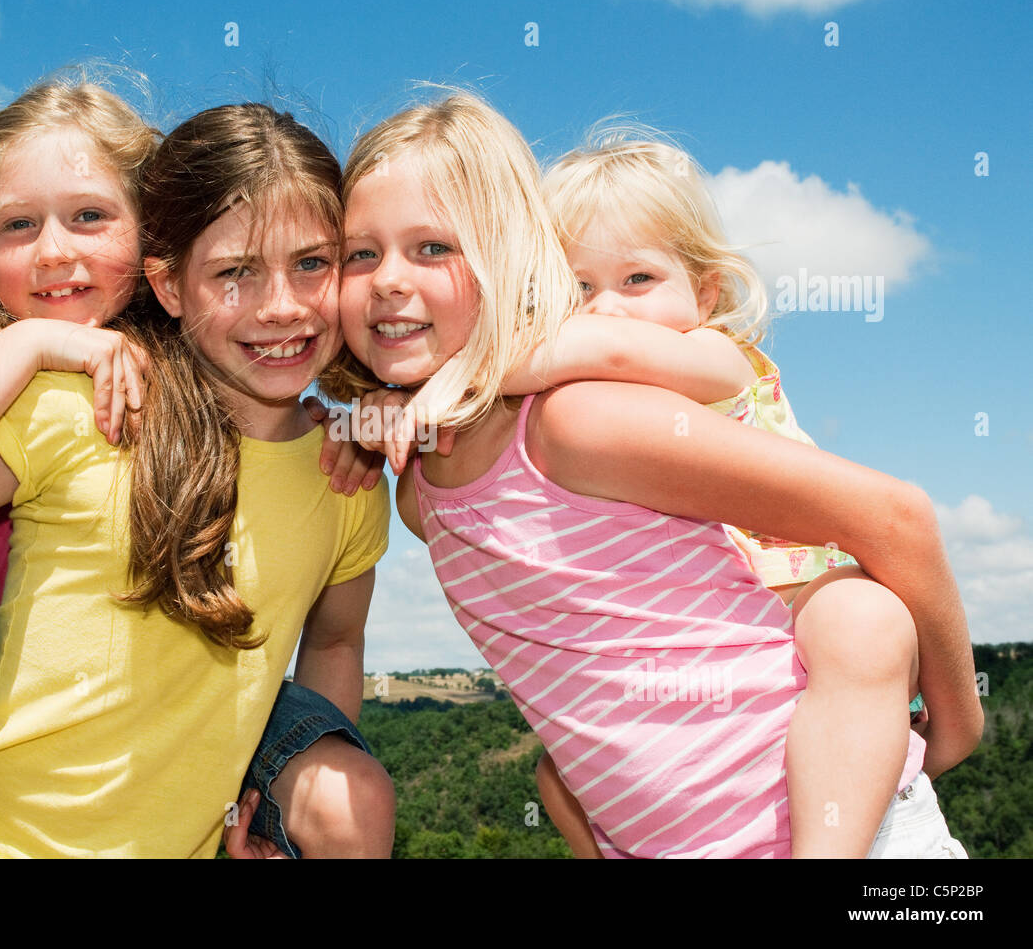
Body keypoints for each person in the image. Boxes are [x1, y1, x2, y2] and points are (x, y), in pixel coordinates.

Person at [327, 92, 981, 858]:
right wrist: (363, 419)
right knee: (552, 775)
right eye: (358, 254)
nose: (387, 281)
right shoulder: (417, 493)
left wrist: (958, 724)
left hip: (867, 840)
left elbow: (895, 516)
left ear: (512, 263)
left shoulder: (577, 422)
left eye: (433, 247)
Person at [0, 83, 392, 858]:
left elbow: (333, 641)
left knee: (355, 797)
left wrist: (378, 409)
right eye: (19, 225)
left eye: (313, 264)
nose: (55, 251)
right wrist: (26, 346)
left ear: (146, 246)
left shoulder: (314, 452)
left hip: (150, 718)